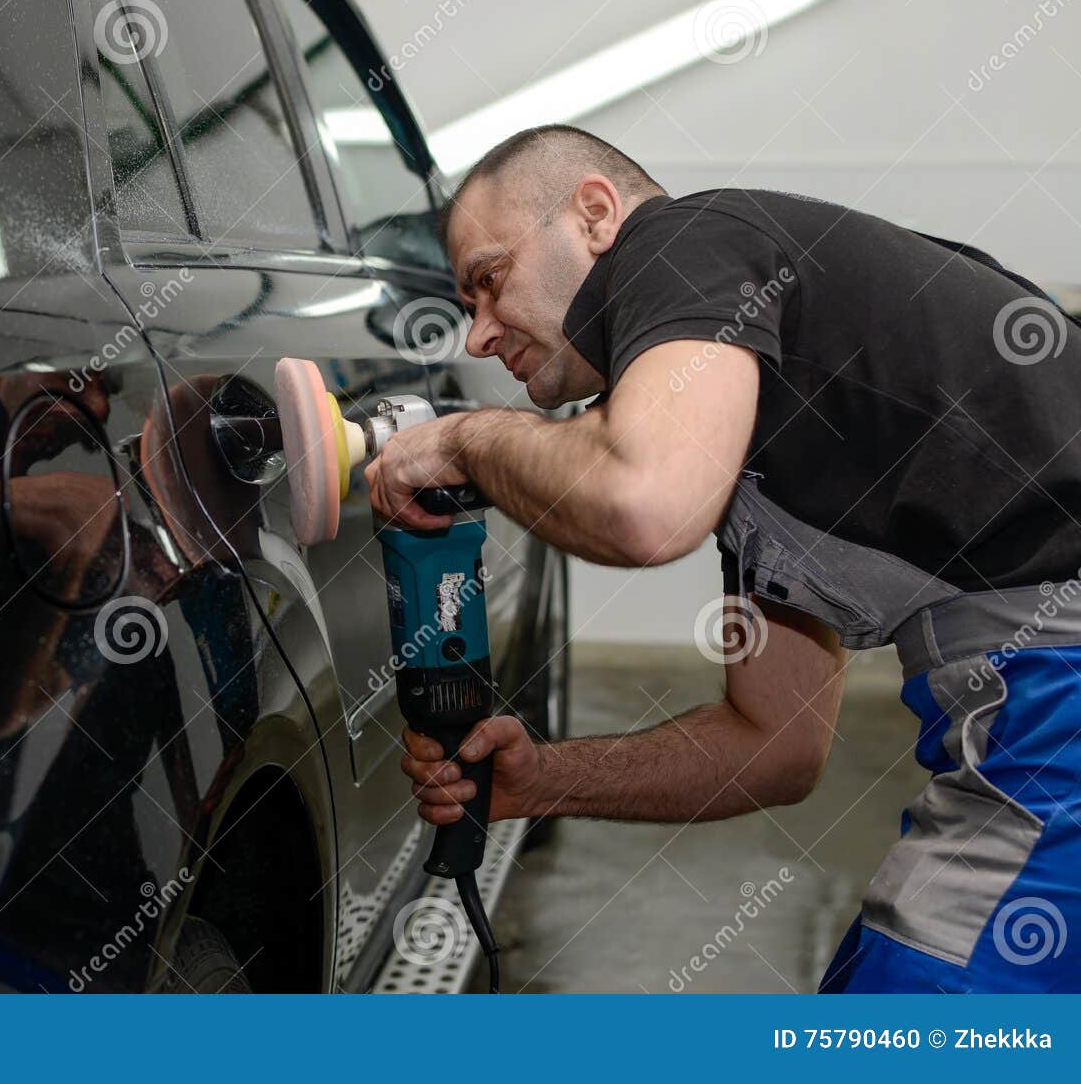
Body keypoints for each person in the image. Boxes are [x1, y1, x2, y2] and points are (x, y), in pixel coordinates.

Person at [369, 123, 1081, 992]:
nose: (479, 336)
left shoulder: (684, 239)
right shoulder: (756, 442)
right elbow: (774, 744)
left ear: (594, 214)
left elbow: (646, 507)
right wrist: (541, 778)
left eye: (490, 280)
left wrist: (467, 440)